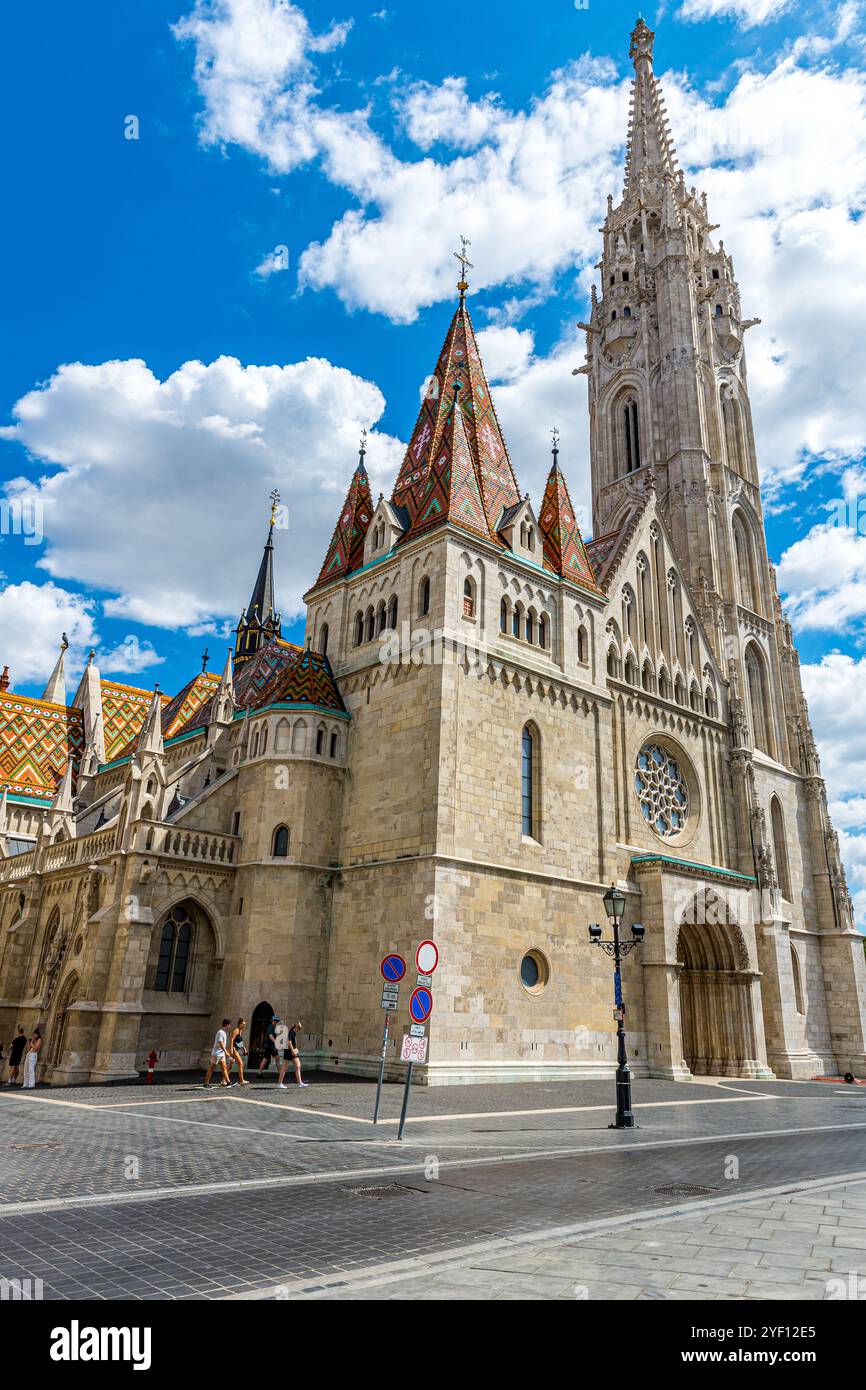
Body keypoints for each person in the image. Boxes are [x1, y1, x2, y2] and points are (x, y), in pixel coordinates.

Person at [277, 1021, 308, 1089]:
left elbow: (292, 1044)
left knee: (298, 1066)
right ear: (296, 1027)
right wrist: (293, 1051)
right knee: (284, 1068)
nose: (299, 1030)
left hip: (292, 1052)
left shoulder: (293, 1033)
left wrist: (295, 1050)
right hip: (289, 1052)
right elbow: (289, 1043)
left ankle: (300, 1083)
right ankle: (279, 1083)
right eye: (298, 1029)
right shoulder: (291, 1032)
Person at [203, 1018, 232, 1088]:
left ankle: (228, 1082)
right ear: (227, 1025)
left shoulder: (224, 1032)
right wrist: (226, 1052)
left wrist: (225, 1052)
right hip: (216, 1053)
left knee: (224, 1067)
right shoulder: (221, 1032)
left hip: (221, 1054)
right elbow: (220, 1043)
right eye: (230, 1025)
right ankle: (206, 1083)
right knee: (211, 1068)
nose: (230, 1026)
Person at [227, 1018, 249, 1085]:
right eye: (243, 1024)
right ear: (240, 1024)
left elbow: (240, 1041)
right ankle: (242, 1081)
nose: (244, 1025)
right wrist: (231, 1050)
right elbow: (231, 1040)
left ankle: (224, 1080)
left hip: (236, 1049)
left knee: (230, 1066)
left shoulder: (240, 1031)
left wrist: (244, 1049)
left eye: (245, 1024)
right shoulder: (236, 1030)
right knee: (240, 1064)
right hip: (234, 1050)